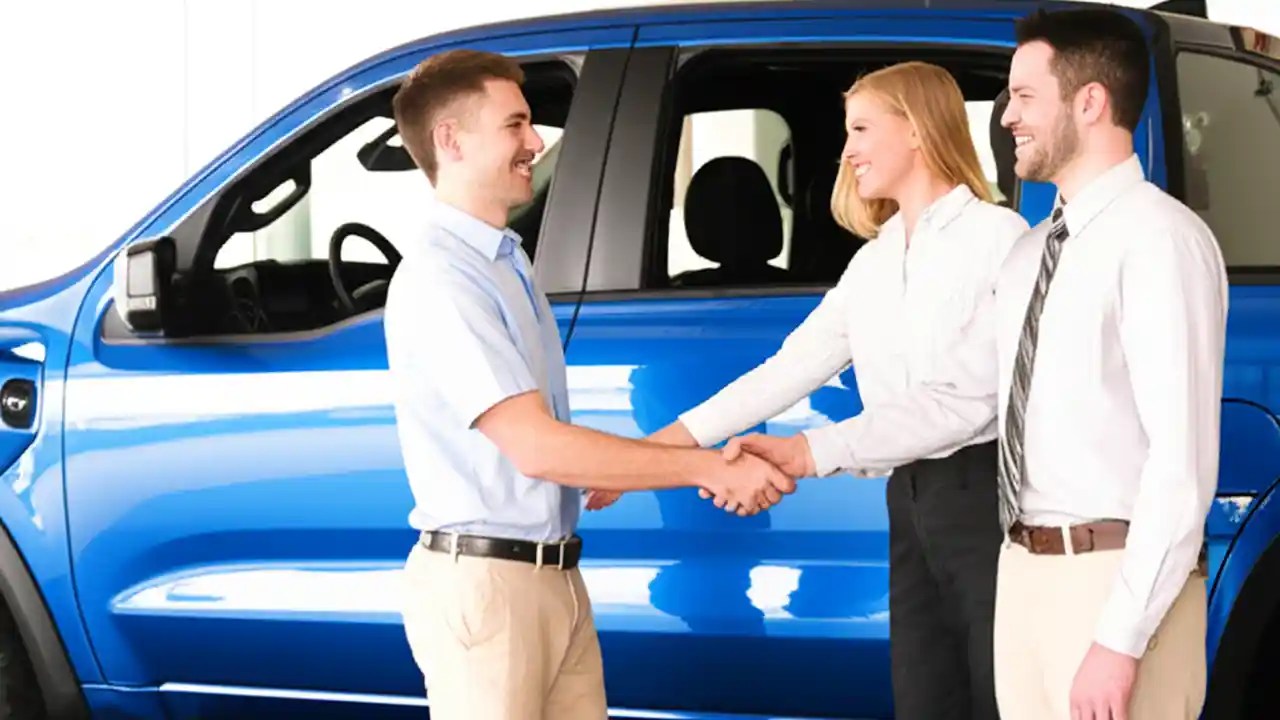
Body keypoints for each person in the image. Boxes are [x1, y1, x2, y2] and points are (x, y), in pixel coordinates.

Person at [712, 7, 1227, 719]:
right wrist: (805, 451)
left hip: (1109, 582)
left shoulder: (1159, 240)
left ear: (1090, 102)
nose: (1005, 116)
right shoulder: (1030, 256)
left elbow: (1181, 466)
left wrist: (1121, 638)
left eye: (1023, 96)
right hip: (1025, 575)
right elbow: (958, 399)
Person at [589, 60, 1029, 720]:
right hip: (909, 500)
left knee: (1000, 700)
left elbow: (967, 401)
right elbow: (788, 369)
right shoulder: (875, 260)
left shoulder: (999, 239)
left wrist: (808, 451)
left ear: (916, 131)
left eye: (860, 129)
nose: (846, 151)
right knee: (925, 701)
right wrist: (651, 457)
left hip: (982, 498)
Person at [383, 49, 796, 720]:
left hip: (551, 579)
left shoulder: (505, 261)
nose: (536, 142)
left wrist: (642, 467)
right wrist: (703, 469)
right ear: (451, 140)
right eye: (514, 125)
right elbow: (538, 448)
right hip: (492, 589)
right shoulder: (442, 278)